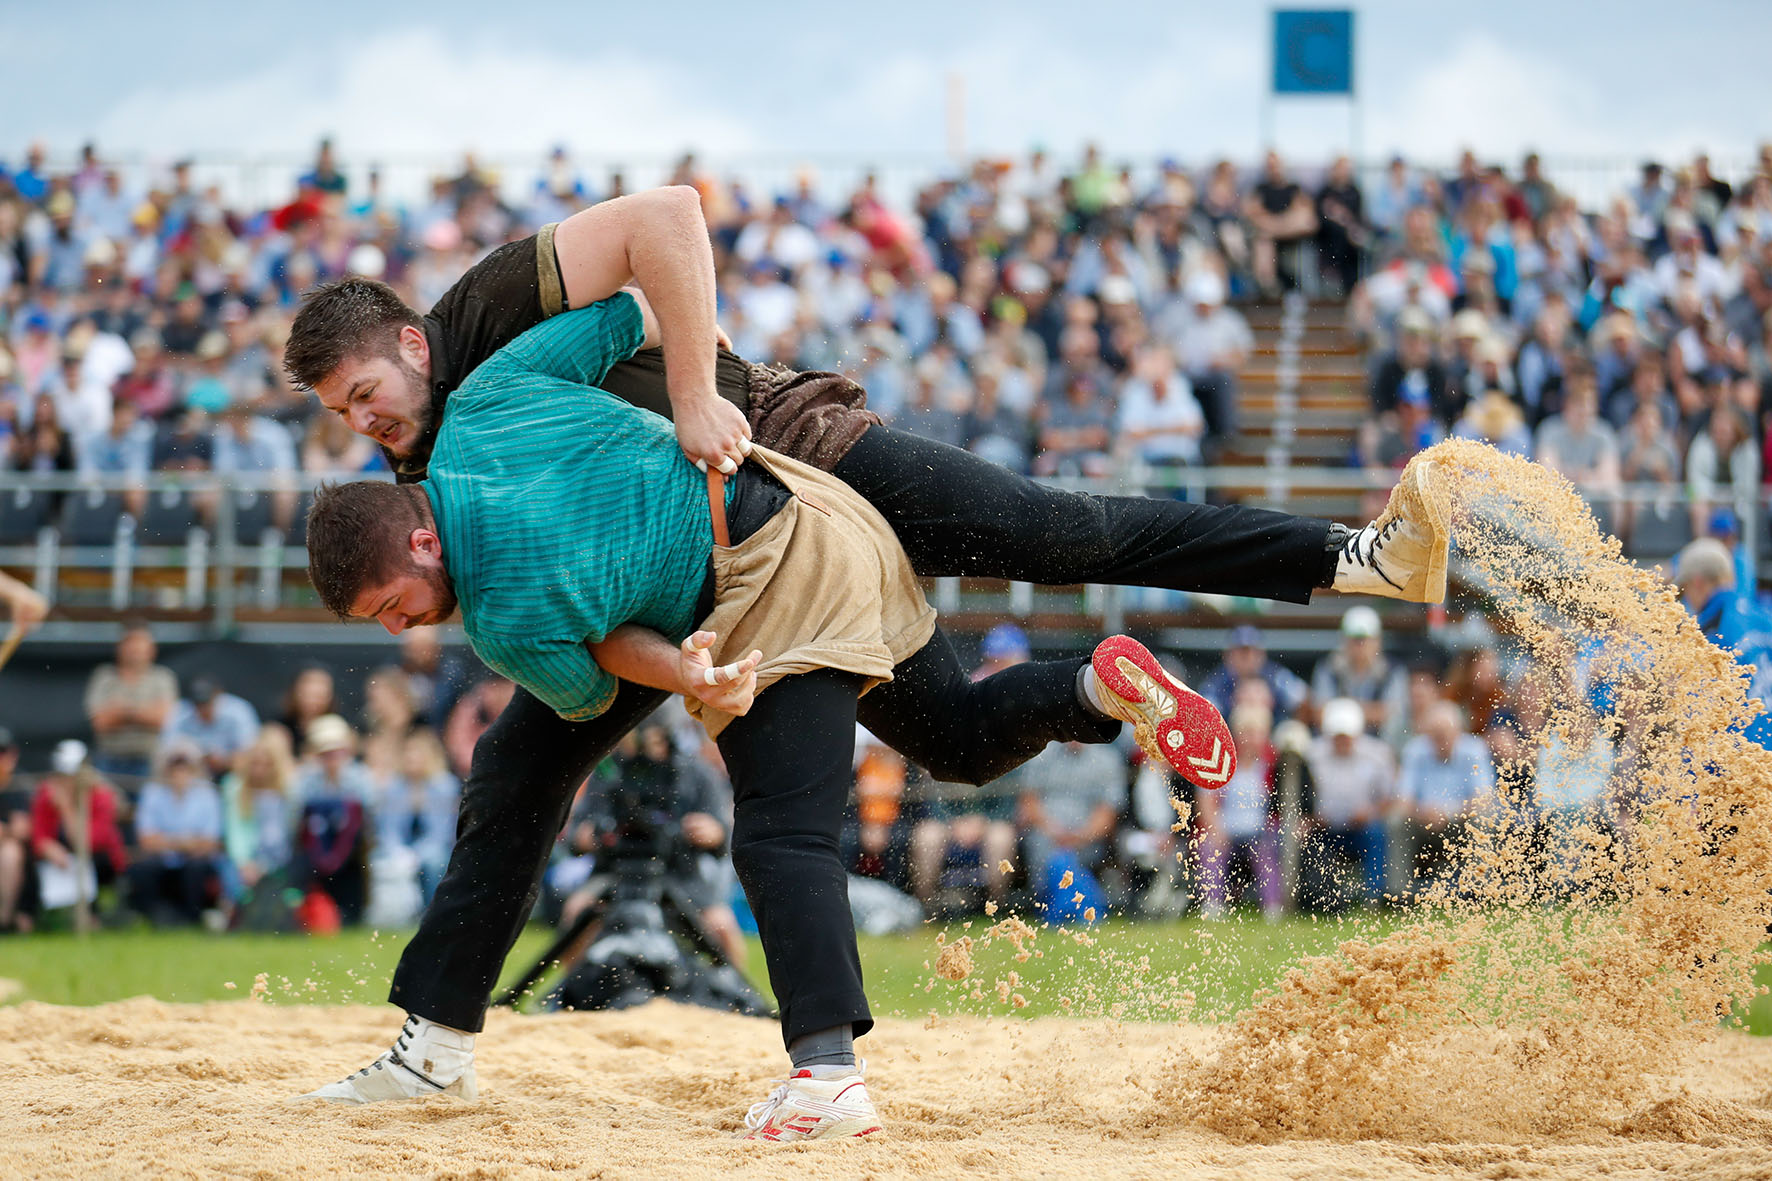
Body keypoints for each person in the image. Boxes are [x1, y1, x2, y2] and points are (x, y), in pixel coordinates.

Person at [283, 187, 1452, 1115]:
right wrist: (673, 661)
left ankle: (1352, 555)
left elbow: (667, 220)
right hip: (683, 587)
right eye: (339, 414)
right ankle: (435, 1043)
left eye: (366, 392)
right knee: (940, 738)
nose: (363, 421)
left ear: (412, 342)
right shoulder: (419, 472)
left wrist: (692, 389)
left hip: (781, 458)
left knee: (1053, 532)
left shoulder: (478, 322)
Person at [1674, 538, 1772, 748]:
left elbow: (1699, 715)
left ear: (1697, 582)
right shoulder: (1764, 617)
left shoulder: (1709, 631)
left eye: (1684, 589)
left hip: (1739, 756)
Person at [1395, 701, 1495, 897]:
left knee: (1483, 818)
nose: (1440, 739)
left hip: (1461, 820)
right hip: (1422, 821)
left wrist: (1448, 812)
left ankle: (1479, 892)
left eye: (1445, 734)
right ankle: (1398, 893)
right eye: (1435, 734)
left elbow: (1483, 798)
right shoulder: (1415, 750)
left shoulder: (1474, 750)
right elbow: (1402, 799)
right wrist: (1423, 812)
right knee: (1396, 820)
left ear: (1458, 731)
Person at [1303, 698, 1396, 907]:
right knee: (1307, 839)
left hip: (1362, 827)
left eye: (1347, 736)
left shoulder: (1378, 754)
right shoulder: (1312, 754)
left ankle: (1374, 895)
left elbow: (1389, 796)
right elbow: (1303, 795)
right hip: (1324, 827)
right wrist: (1312, 817)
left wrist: (1370, 811)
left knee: (1376, 834)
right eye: (1338, 736)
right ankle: (1320, 897)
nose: (1343, 741)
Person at [126, 739, 227, 926]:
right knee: (144, 868)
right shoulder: (153, 792)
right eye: (174, 767)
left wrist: (169, 842)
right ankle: (153, 917)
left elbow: (210, 842)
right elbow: (146, 840)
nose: (179, 773)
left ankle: (192, 918)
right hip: (163, 859)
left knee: (196, 868)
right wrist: (184, 843)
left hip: (193, 861)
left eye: (184, 767)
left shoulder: (207, 794)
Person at [84, 621, 177, 778]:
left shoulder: (162, 678)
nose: (135, 649)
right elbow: (100, 723)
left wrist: (121, 712)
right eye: (130, 643)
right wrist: (144, 712)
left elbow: (163, 720)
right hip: (109, 759)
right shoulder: (104, 677)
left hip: (150, 760)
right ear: (119, 647)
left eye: (140, 643)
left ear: (151, 649)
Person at [161, 676, 261, 782]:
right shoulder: (181, 712)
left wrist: (225, 761)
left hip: (231, 773)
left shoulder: (239, 711)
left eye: (207, 703)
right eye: (198, 704)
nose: (202, 708)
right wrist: (197, 760)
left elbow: (250, 750)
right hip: (194, 775)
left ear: (218, 695)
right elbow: (166, 748)